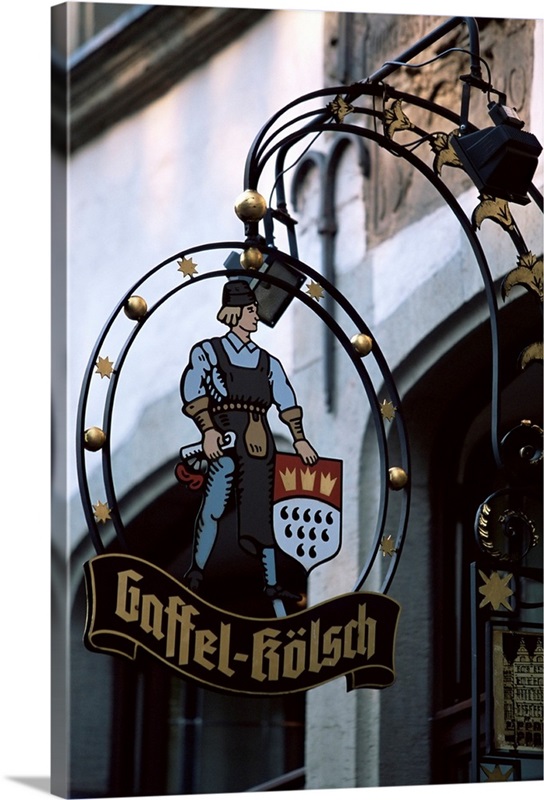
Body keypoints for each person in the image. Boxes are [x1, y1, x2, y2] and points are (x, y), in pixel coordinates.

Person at [180, 279, 318, 601]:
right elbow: (194, 390)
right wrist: (208, 430)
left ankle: (271, 583)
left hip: (259, 438)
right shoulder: (209, 351)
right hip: (225, 435)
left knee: (260, 510)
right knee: (214, 503)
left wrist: (299, 440)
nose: (256, 317)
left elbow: (285, 400)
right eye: (252, 311)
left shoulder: (267, 361)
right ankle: (196, 571)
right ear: (236, 312)